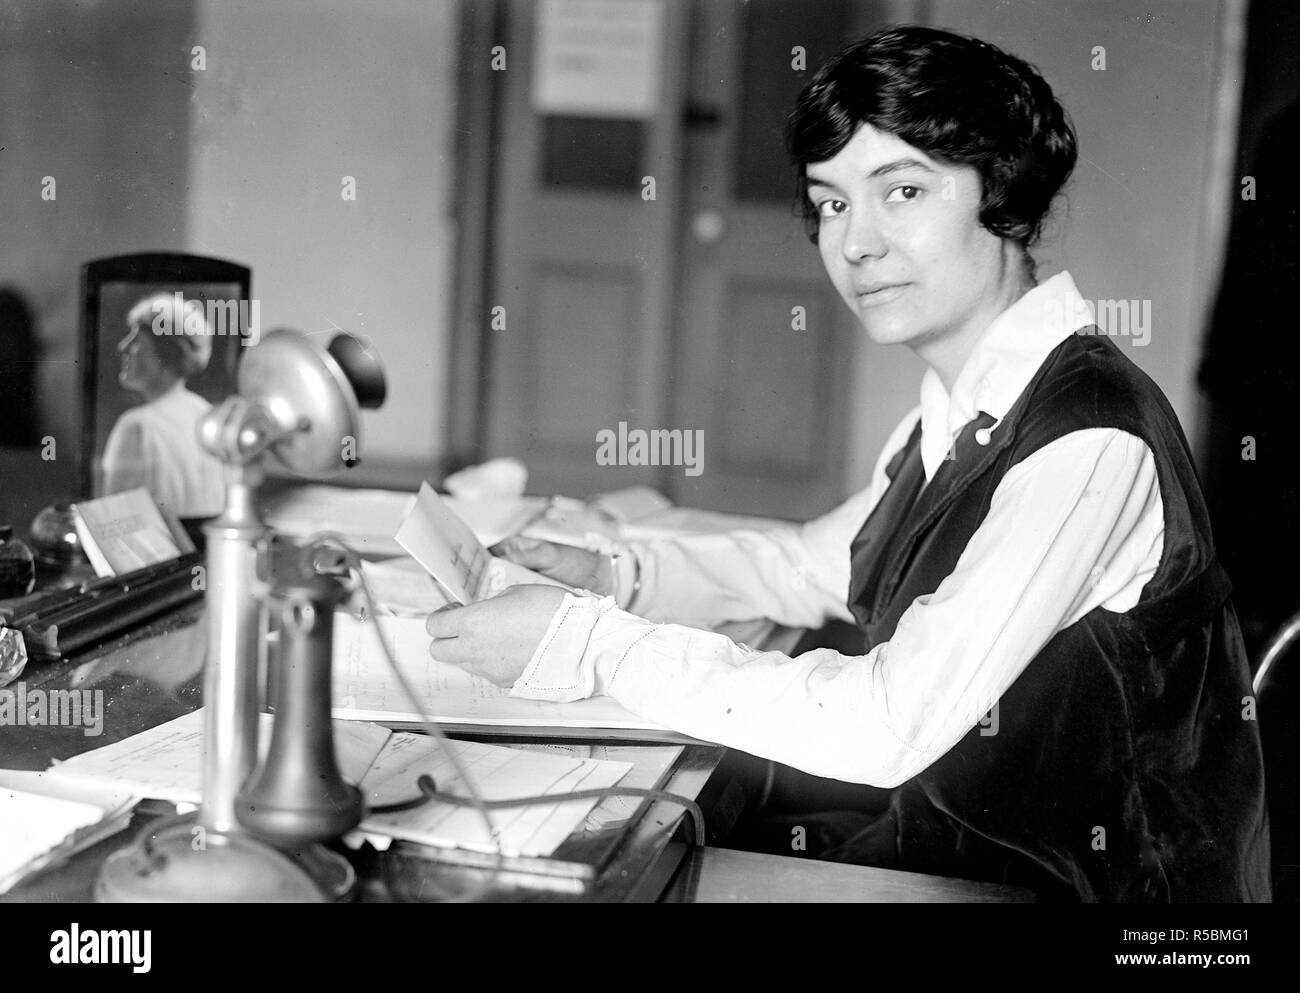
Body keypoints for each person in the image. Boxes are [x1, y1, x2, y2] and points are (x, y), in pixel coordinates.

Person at [427, 26, 1270, 901]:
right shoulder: (957, 408)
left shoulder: (1090, 440)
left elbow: (884, 725)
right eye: (831, 203)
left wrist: (588, 646)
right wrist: (610, 572)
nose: (855, 243)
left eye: (901, 191)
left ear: (1005, 195)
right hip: (955, 847)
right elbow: (813, 565)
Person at [100, 292, 225, 518]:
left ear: (166, 354)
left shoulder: (137, 426)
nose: (123, 346)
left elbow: (111, 526)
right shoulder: (208, 416)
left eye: (137, 340)